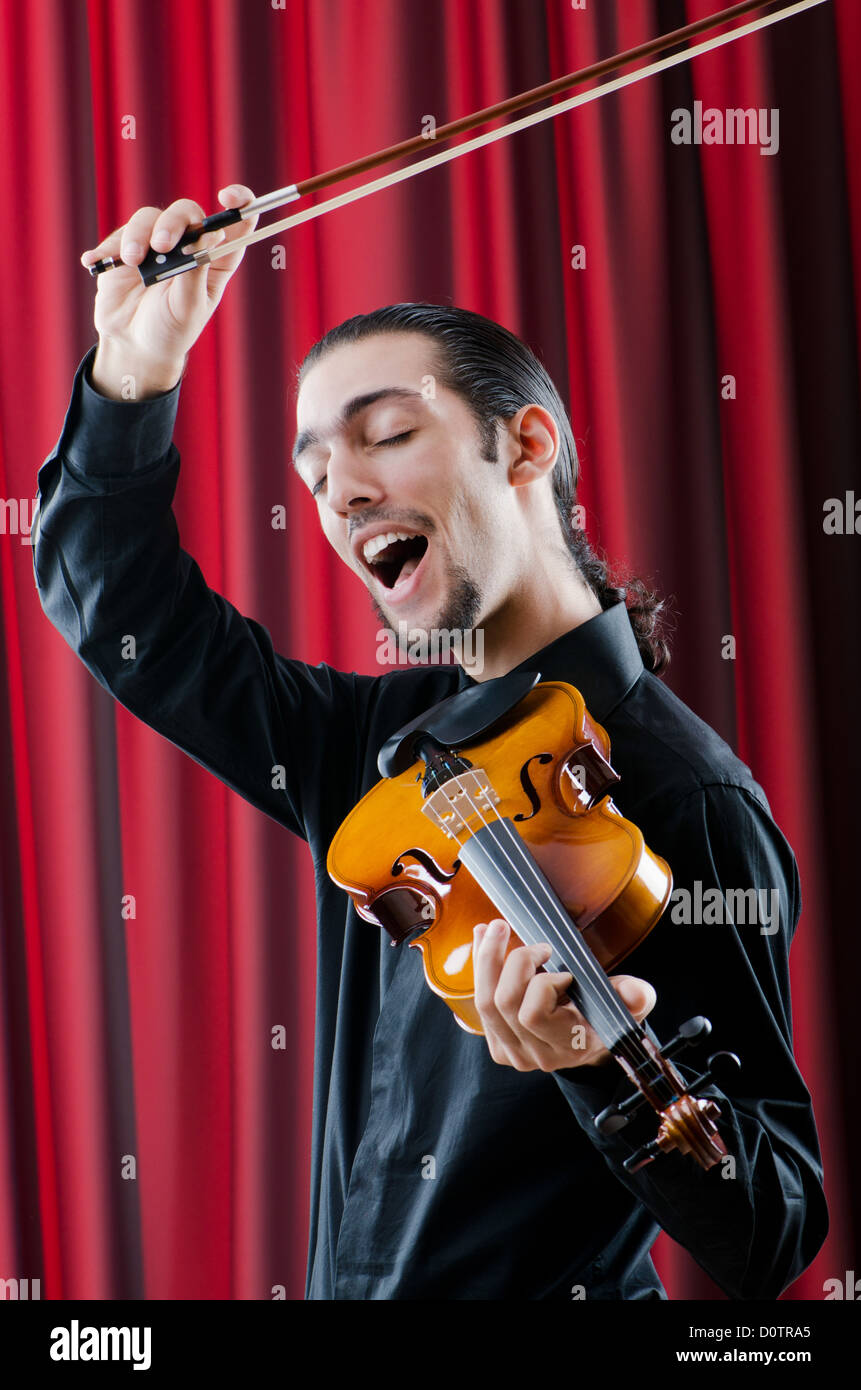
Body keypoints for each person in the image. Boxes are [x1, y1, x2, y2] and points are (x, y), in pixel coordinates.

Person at [33, 186, 828, 1300]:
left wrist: (601, 1068)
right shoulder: (375, 744)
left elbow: (773, 1226)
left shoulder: (685, 795)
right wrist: (132, 364)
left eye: (388, 435)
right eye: (313, 475)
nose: (342, 490)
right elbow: (128, 619)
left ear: (527, 444)